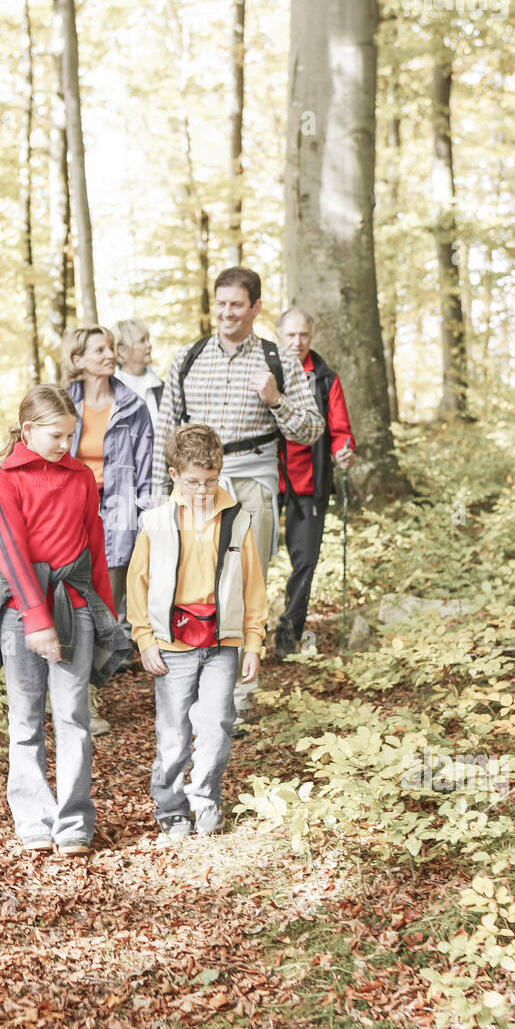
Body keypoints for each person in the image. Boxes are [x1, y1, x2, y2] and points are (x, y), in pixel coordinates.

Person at [0, 385, 129, 856]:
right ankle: (34, 816)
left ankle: (73, 821)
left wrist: (107, 617)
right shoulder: (3, 479)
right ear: (28, 430)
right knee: (26, 719)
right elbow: (11, 553)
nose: (65, 447)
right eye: (56, 436)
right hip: (20, 614)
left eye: (71, 437)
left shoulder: (79, 478)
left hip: (76, 608)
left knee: (74, 717)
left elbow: (94, 548)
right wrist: (36, 620)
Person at [150, 266, 324, 718]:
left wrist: (275, 400)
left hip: (251, 480)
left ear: (255, 307)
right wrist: (156, 497)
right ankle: (191, 686)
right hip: (193, 485)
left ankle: (237, 696)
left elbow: (311, 431)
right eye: (221, 303)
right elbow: (165, 430)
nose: (226, 313)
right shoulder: (187, 359)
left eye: (236, 304)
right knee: (190, 581)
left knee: (243, 582)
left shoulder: (276, 360)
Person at [128, 424, 268, 837]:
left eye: (210, 481)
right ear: (174, 475)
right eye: (192, 482)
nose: (202, 490)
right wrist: (144, 639)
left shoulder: (238, 520)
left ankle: (205, 797)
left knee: (218, 722)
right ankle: (170, 805)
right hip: (171, 643)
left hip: (221, 642)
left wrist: (254, 642)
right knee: (173, 731)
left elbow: (253, 585)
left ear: (219, 473)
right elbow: (138, 583)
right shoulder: (155, 522)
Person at [65, 325, 154, 733]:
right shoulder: (62, 403)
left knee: (107, 605)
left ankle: (88, 692)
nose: (109, 354)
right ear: (78, 360)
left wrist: (146, 522)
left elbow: (147, 474)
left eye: (111, 348)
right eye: (99, 349)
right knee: (70, 602)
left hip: (118, 514)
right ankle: (74, 696)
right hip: (70, 511)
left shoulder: (133, 406)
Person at [274, 308, 356, 658]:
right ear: (279, 335)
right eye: (290, 335)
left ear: (311, 337)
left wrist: (344, 451)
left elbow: (340, 432)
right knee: (248, 559)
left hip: (310, 485)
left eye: (303, 335)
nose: (297, 342)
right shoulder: (266, 373)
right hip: (267, 481)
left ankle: (287, 636)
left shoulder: (325, 379)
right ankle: (244, 634)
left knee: (305, 562)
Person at [112, 318, 164, 428]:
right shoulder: (109, 389)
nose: (149, 345)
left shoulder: (162, 388)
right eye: (142, 341)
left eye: (148, 339)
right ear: (122, 351)